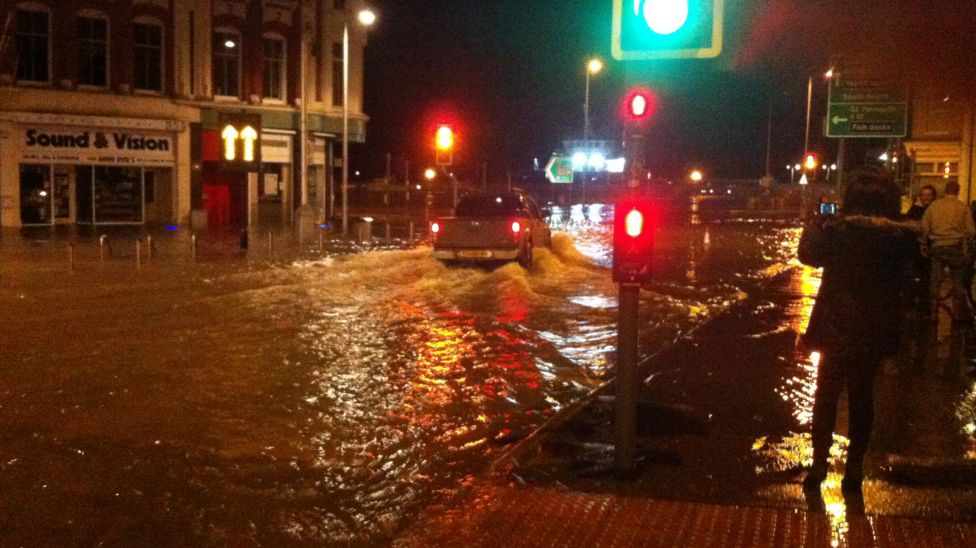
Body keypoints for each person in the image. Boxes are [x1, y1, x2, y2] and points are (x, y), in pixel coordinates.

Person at [798, 168, 917, 493]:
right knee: (862, 397)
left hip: (835, 324)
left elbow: (807, 256)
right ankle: (854, 468)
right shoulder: (899, 238)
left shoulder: (837, 232)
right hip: (875, 327)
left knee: (826, 396)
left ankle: (819, 465)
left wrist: (815, 222)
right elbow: (910, 278)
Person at [920, 180, 975, 321]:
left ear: (945, 190)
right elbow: (971, 231)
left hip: (937, 247)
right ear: (957, 191)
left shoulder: (934, 206)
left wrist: (923, 244)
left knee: (935, 280)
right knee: (957, 281)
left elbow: (924, 227)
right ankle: (956, 316)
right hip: (955, 248)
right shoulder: (963, 208)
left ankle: (933, 315)